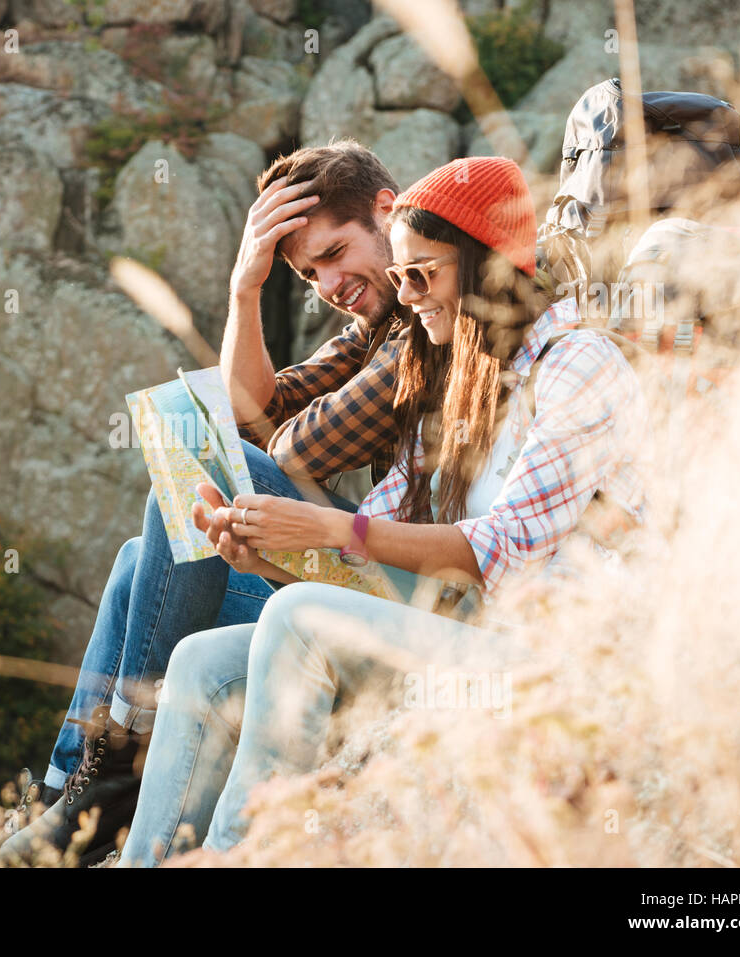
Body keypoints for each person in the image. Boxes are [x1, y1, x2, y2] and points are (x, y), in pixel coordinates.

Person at [116, 156, 651, 866]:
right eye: (401, 278)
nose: (409, 295)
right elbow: (367, 540)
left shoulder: (578, 365)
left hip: (546, 662)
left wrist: (332, 527)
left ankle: (233, 855)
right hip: (452, 632)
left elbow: (508, 547)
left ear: (490, 262)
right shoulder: (453, 380)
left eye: (423, 274)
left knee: (300, 619)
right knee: (200, 659)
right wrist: (261, 550)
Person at [0, 140, 422, 867]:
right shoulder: (371, 332)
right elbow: (252, 409)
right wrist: (244, 289)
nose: (330, 283)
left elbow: (280, 452)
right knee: (138, 558)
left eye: (336, 254)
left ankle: (108, 769)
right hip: (358, 574)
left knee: (198, 469)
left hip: (398, 595)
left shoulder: (424, 329)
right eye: (311, 274)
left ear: (387, 211)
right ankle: (64, 798)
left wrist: (232, 452)